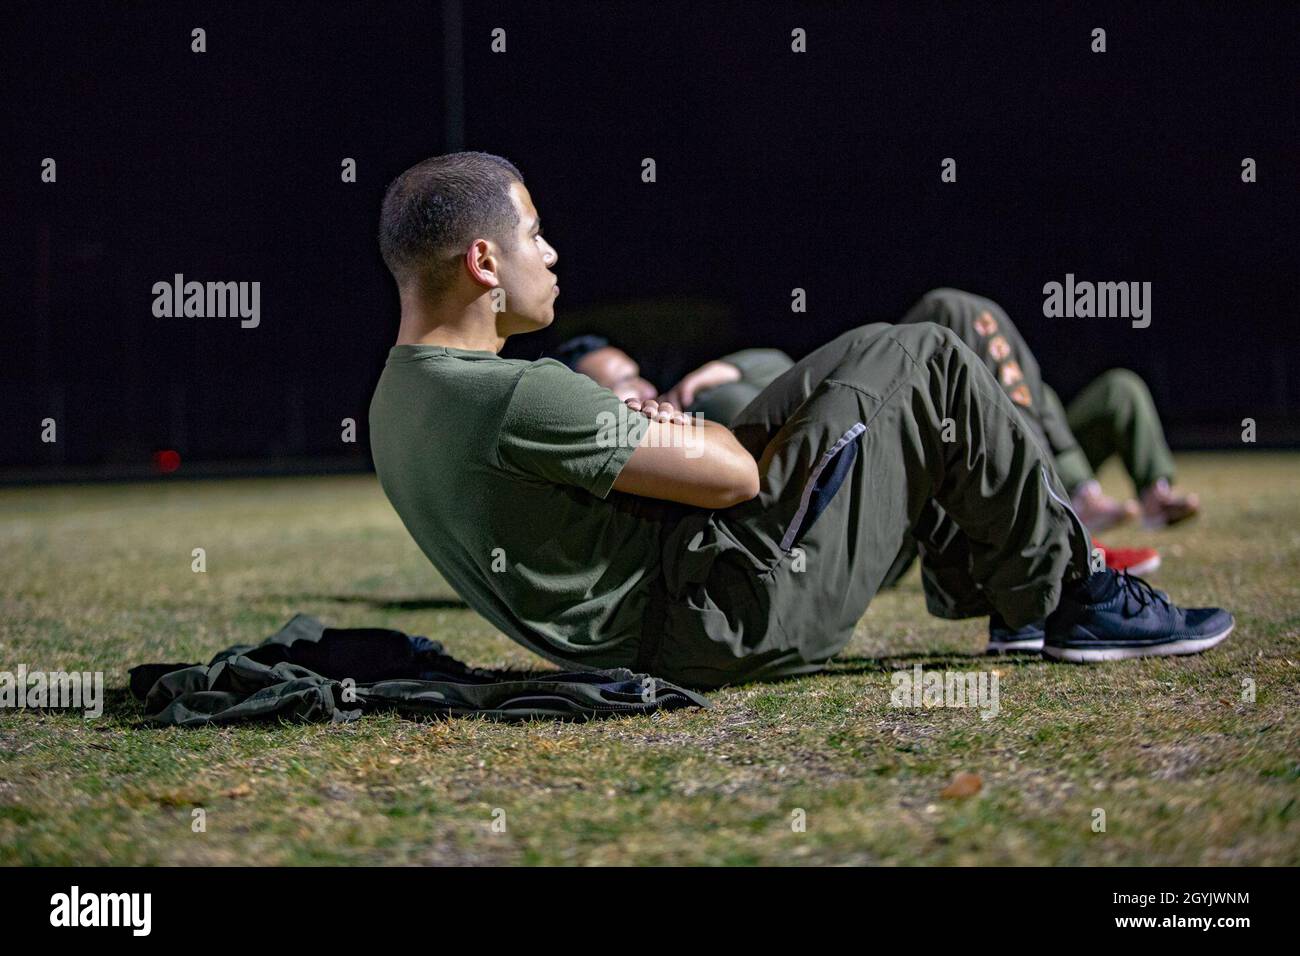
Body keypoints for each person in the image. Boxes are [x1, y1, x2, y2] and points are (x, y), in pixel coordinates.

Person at [367, 152, 1233, 689]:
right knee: (925, 355)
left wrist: (685, 410)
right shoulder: (523, 393)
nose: (549, 253)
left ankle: (1010, 597)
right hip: (720, 611)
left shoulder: (397, 400)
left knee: (940, 317)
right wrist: (663, 421)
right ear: (484, 261)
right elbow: (736, 475)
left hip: (679, 604)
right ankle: (1078, 597)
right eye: (533, 233)